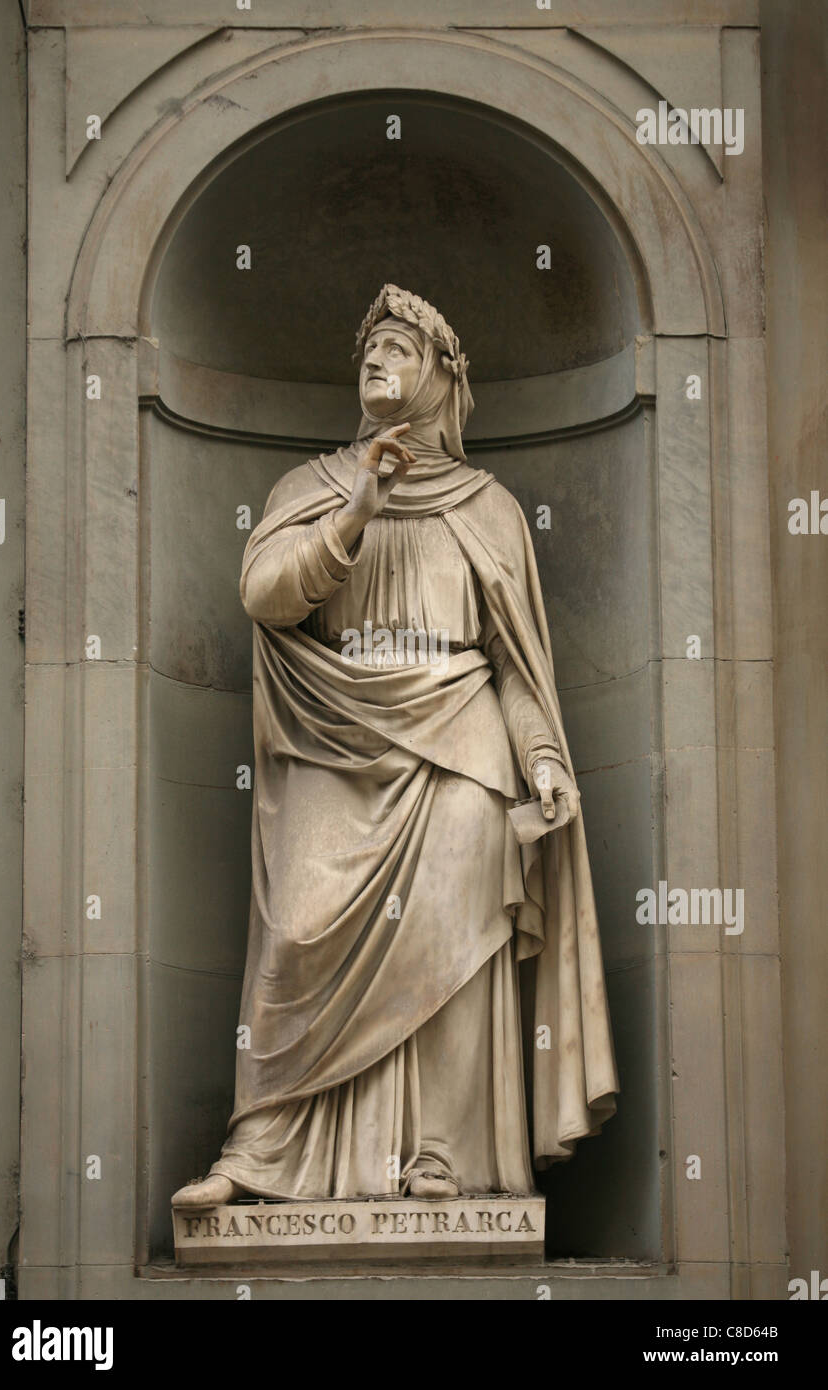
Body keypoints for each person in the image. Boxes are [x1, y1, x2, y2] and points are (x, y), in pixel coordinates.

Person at [172, 284, 618, 1209]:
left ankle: (442, 1158)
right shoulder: (312, 486)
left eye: (400, 348)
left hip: (462, 745)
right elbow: (264, 596)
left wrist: (541, 760)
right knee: (297, 928)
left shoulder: (488, 507)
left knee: (457, 944)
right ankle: (262, 1151)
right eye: (370, 348)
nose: (377, 359)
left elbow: (515, 666)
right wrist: (357, 509)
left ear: (442, 380)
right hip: (333, 741)